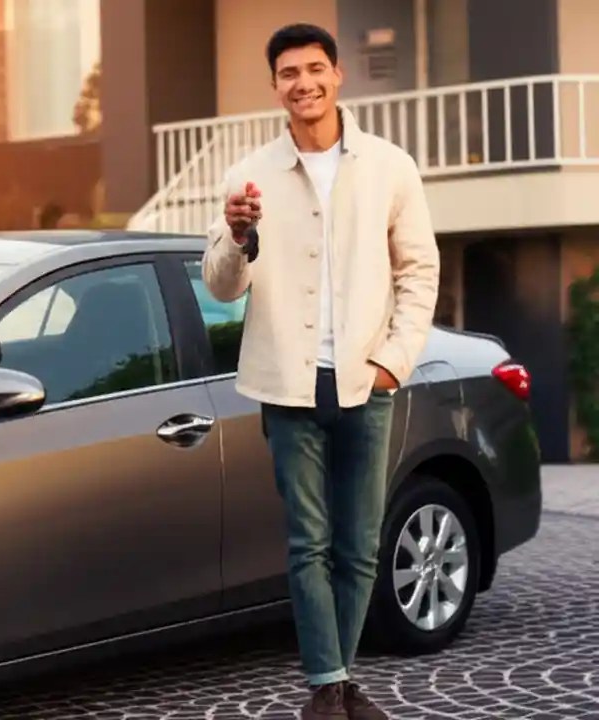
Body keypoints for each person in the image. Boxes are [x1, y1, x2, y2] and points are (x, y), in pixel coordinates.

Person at [201, 23, 439, 720]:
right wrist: (238, 234)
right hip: (286, 382)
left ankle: (336, 680)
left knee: (360, 543)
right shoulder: (247, 176)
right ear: (274, 86)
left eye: (314, 69)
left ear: (338, 76)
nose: (302, 83)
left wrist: (393, 360)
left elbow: (419, 269)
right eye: (287, 73)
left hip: (367, 380)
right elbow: (220, 286)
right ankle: (329, 689)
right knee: (309, 541)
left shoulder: (390, 165)